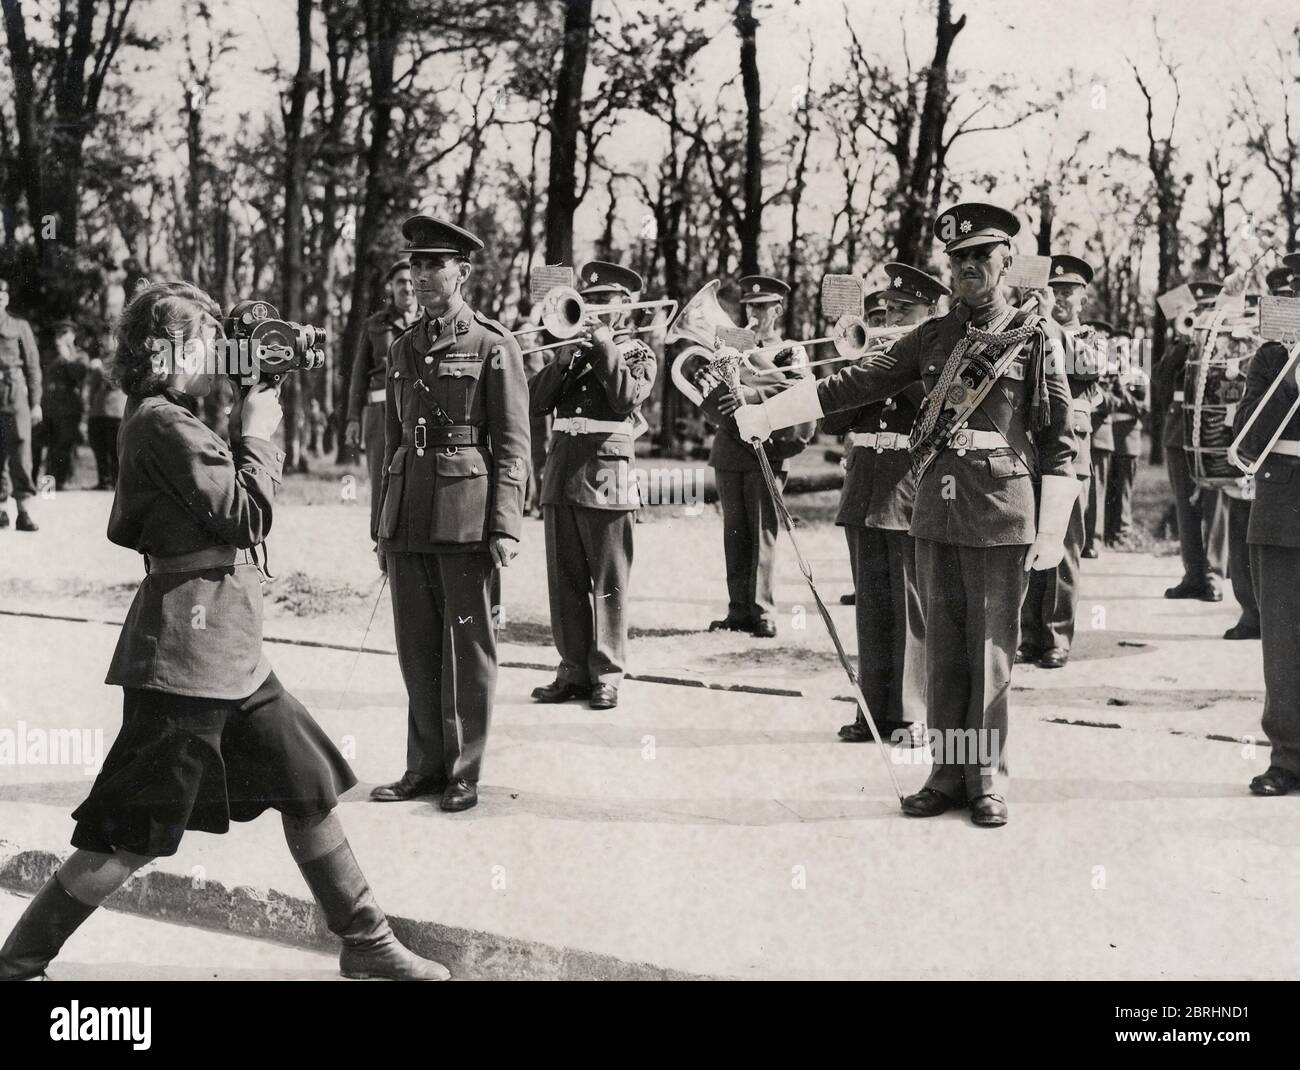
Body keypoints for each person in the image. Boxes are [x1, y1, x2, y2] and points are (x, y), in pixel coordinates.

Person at [0, 281, 447, 981]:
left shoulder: (176, 416)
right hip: (185, 658)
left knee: (305, 783)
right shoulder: (159, 423)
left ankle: (366, 942)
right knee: (128, 838)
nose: (220, 356)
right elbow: (247, 516)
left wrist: (249, 409)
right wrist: (257, 433)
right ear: (166, 351)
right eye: (207, 342)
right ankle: (18, 963)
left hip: (229, 653)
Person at [735, 203, 1077, 827]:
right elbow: (856, 384)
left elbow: (1059, 440)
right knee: (945, 651)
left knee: (990, 657)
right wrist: (766, 415)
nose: (970, 266)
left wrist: (1052, 530)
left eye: (982, 255)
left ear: (1006, 260)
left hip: (1003, 510)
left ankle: (986, 780)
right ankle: (946, 775)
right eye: (959, 258)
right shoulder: (934, 335)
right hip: (934, 508)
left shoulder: (1035, 337)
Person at [369, 216, 530, 814]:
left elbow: (513, 444)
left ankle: (464, 770)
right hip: (408, 512)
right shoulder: (403, 347)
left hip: (465, 514)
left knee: (467, 649)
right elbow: (389, 444)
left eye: (435, 264)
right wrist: (381, 526)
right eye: (416, 264)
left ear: (462, 272)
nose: (423, 275)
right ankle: (424, 765)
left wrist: (506, 524)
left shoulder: (494, 345)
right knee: (416, 649)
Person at [825, 263, 948, 748]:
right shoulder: (871, 360)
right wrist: (863, 371)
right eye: (888, 310)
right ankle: (874, 712)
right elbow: (837, 420)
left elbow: (939, 410)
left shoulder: (941, 356)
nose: (891, 317)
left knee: (910, 610)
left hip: (908, 488)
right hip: (865, 490)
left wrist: (902, 367)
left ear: (930, 313)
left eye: (904, 311)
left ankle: (913, 714)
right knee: (871, 608)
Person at [527, 262, 656, 710]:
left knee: (608, 579)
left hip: (607, 471)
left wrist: (603, 344)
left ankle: (607, 673)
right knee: (564, 581)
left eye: (608, 301)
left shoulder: (637, 351)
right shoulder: (568, 348)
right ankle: (572, 670)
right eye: (592, 299)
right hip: (563, 470)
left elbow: (625, 398)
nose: (598, 308)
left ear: (626, 307)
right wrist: (562, 360)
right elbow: (535, 402)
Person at [702, 275, 814, 639]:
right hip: (730, 450)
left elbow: (796, 391)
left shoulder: (790, 350)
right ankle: (738, 610)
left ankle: (763, 610)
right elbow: (711, 387)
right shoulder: (732, 342)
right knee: (734, 533)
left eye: (762, 307)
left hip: (768, 450)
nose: (754, 313)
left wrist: (750, 393)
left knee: (764, 533)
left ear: (777, 311)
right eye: (750, 306)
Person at [1018, 255, 1104, 669]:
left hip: (1070, 456)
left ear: (1083, 299)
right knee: (1025, 544)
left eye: (1068, 292)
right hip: (1027, 452)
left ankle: (1057, 635)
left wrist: (1049, 322)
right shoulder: (1026, 331)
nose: (1060, 298)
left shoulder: (1092, 338)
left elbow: (1086, 368)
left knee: (1062, 546)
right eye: (1054, 291)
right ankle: (1029, 635)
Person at [1232, 315, 1300, 795]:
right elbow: (1245, 443)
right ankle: (1288, 759)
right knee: (1283, 644)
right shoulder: (1274, 356)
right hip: (1283, 508)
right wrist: (1292, 381)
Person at [1154, 278, 1224, 601]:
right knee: (1186, 507)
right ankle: (1193, 574)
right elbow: (1160, 380)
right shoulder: (1180, 343)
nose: (1202, 316)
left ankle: (1211, 575)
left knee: (1212, 506)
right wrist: (1182, 343)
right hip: (1178, 433)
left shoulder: (1224, 343)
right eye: (1197, 311)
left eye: (1208, 309)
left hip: (1211, 433)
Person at [345, 259, 420, 548]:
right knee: (382, 474)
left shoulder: (431, 322)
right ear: (392, 287)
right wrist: (353, 418)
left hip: (417, 411)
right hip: (380, 411)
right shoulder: (375, 324)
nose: (407, 287)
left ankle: (412, 539)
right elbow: (358, 375)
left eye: (410, 280)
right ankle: (382, 542)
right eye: (400, 281)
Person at [0, 278, 42, 531]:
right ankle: (1, 510)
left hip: (15, 394)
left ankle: (23, 511)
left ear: (6, 298)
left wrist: (36, 402)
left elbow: (33, 366)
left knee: (21, 449)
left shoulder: (19, 326)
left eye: (1, 294)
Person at [1104, 327, 1147, 547]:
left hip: (1128, 437)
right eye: (1114, 348)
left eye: (1122, 348)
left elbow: (1142, 408)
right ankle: (1105, 534)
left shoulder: (1138, 375)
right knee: (1106, 489)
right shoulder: (1104, 372)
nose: (1118, 353)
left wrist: (1123, 392)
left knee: (1123, 490)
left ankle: (1121, 534)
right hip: (1107, 435)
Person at [36, 320, 89, 489]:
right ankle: (48, 487)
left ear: (73, 335)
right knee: (48, 447)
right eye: (58, 334)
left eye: (64, 333)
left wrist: (66, 357)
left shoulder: (80, 355)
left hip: (68, 408)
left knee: (63, 446)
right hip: (49, 406)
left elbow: (78, 376)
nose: (59, 337)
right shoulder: (49, 356)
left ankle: (61, 484)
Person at [1080, 319, 1116, 559]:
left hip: (1101, 434)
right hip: (1079, 431)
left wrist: (1099, 398)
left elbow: (1118, 401)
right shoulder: (1078, 359)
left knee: (1096, 491)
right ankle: (1081, 539)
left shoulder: (1113, 367)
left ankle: (1094, 540)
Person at [85, 333, 127, 489]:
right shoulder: (99, 360)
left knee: (114, 449)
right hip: (98, 411)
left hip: (115, 411)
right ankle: (103, 481)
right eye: (101, 338)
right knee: (99, 447)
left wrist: (100, 370)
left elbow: (116, 382)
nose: (102, 342)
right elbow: (92, 387)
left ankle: (117, 483)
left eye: (107, 338)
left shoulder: (122, 359)